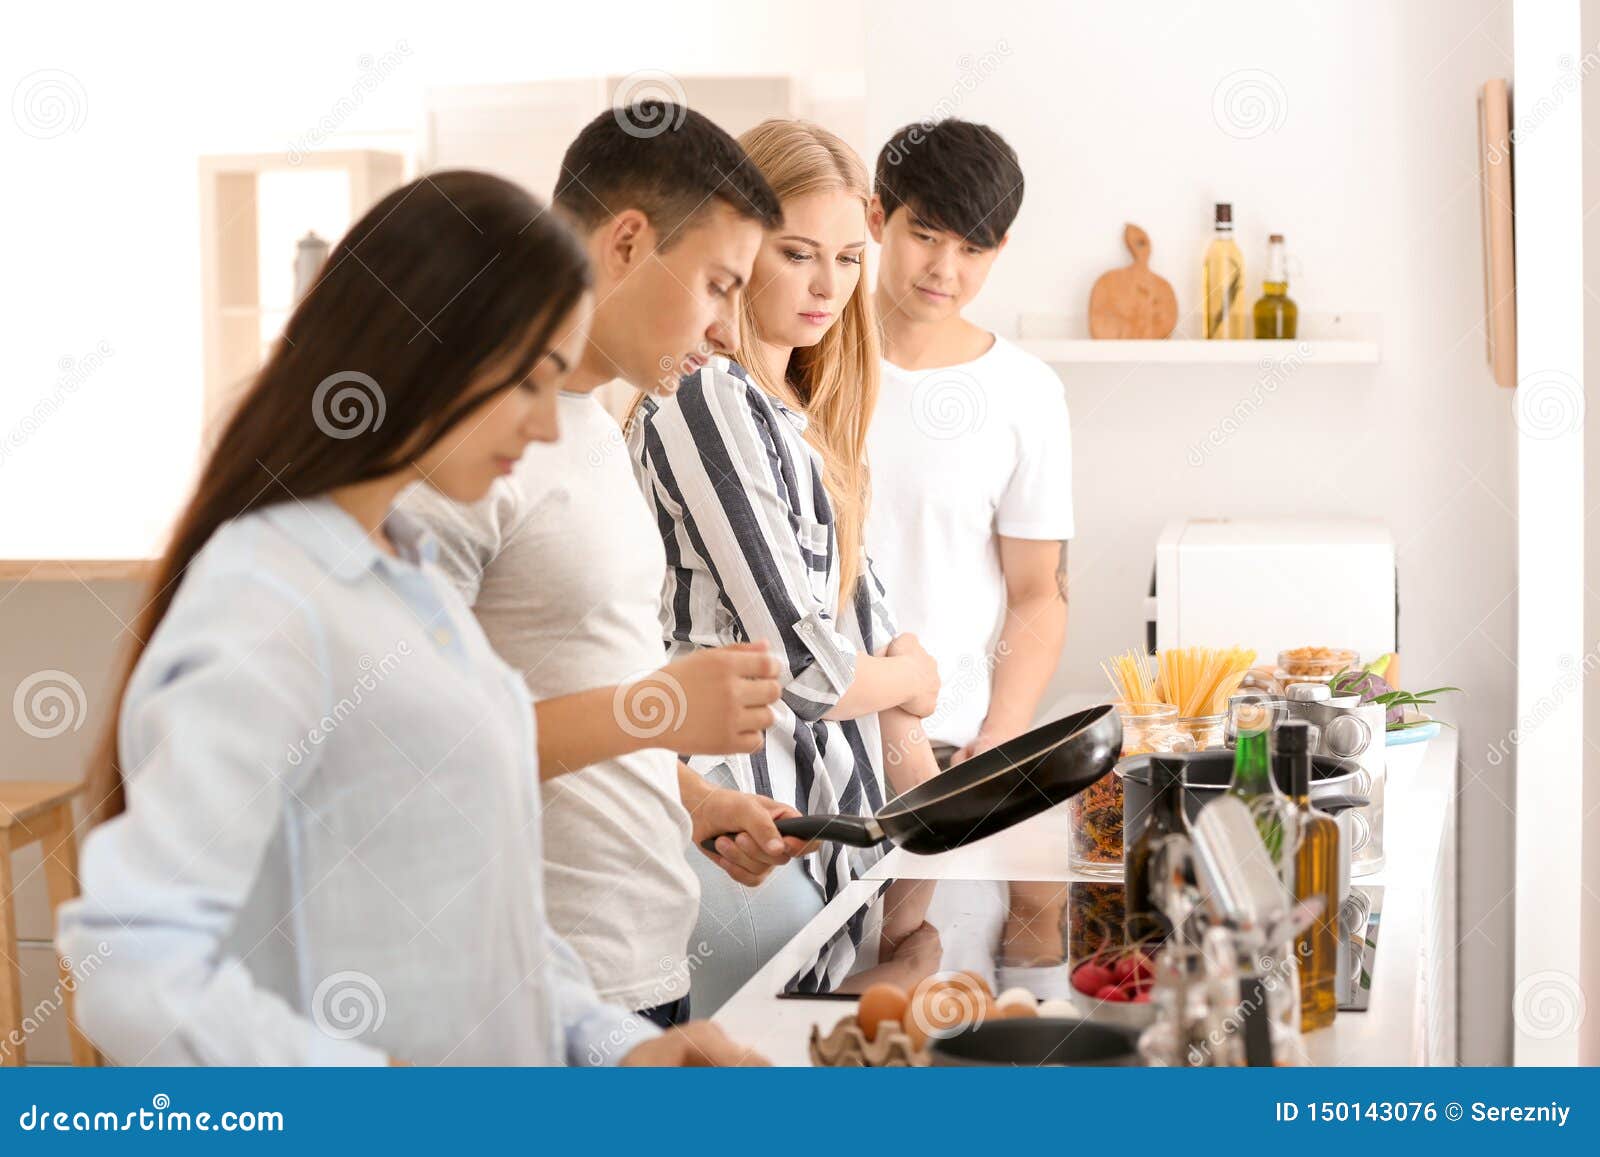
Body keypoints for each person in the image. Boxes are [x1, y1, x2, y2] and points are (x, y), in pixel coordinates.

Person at [57, 172, 761, 1067]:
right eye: (532, 382)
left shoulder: (413, 585)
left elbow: (484, 921)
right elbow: (137, 972)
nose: (548, 427)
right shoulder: (268, 600)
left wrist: (615, 1044)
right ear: (429, 348)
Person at [401, 103, 805, 1030]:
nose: (729, 333)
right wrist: (657, 706)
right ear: (627, 242)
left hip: (630, 972)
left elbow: (567, 673)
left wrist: (694, 796)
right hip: (523, 986)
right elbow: (414, 745)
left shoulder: (590, 423)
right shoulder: (473, 439)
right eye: (717, 284)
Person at [628, 119, 942, 1011]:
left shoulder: (793, 414)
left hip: (810, 830)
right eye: (797, 253)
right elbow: (807, 670)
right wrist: (912, 675)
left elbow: (863, 639)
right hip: (735, 826)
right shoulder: (705, 396)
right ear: (738, 247)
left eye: (848, 259)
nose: (827, 287)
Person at [865, 118, 1074, 769]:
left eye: (972, 251)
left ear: (1000, 247)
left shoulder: (1026, 393)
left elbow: (1037, 592)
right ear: (877, 217)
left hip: (945, 748)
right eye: (923, 237)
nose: (943, 270)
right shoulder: (800, 362)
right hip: (794, 749)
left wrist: (1000, 736)